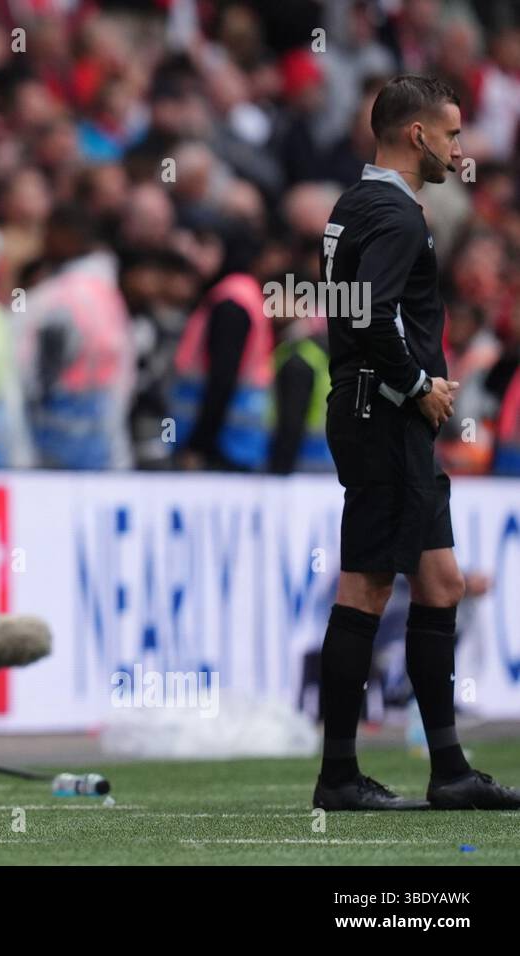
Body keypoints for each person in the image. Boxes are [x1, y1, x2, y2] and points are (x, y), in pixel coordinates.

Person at [315, 74, 520, 811]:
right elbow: (368, 316)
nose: (459, 149)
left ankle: (451, 770)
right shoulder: (398, 216)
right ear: (418, 135)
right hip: (384, 418)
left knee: (441, 585)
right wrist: (417, 384)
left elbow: (349, 307)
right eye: (454, 134)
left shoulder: (352, 204)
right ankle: (338, 775)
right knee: (366, 586)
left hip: (378, 417)